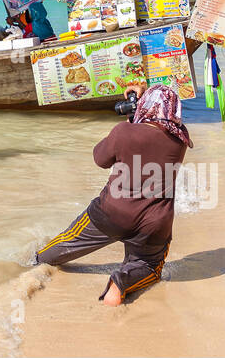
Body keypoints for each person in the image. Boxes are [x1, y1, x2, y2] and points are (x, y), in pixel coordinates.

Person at [35, 84, 192, 305]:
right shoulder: (180, 140)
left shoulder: (123, 132)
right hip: (155, 224)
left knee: (57, 249)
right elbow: (156, 128)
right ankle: (120, 282)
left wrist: (129, 121)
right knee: (149, 267)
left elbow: (100, 159)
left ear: (145, 106)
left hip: (113, 213)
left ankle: (35, 263)